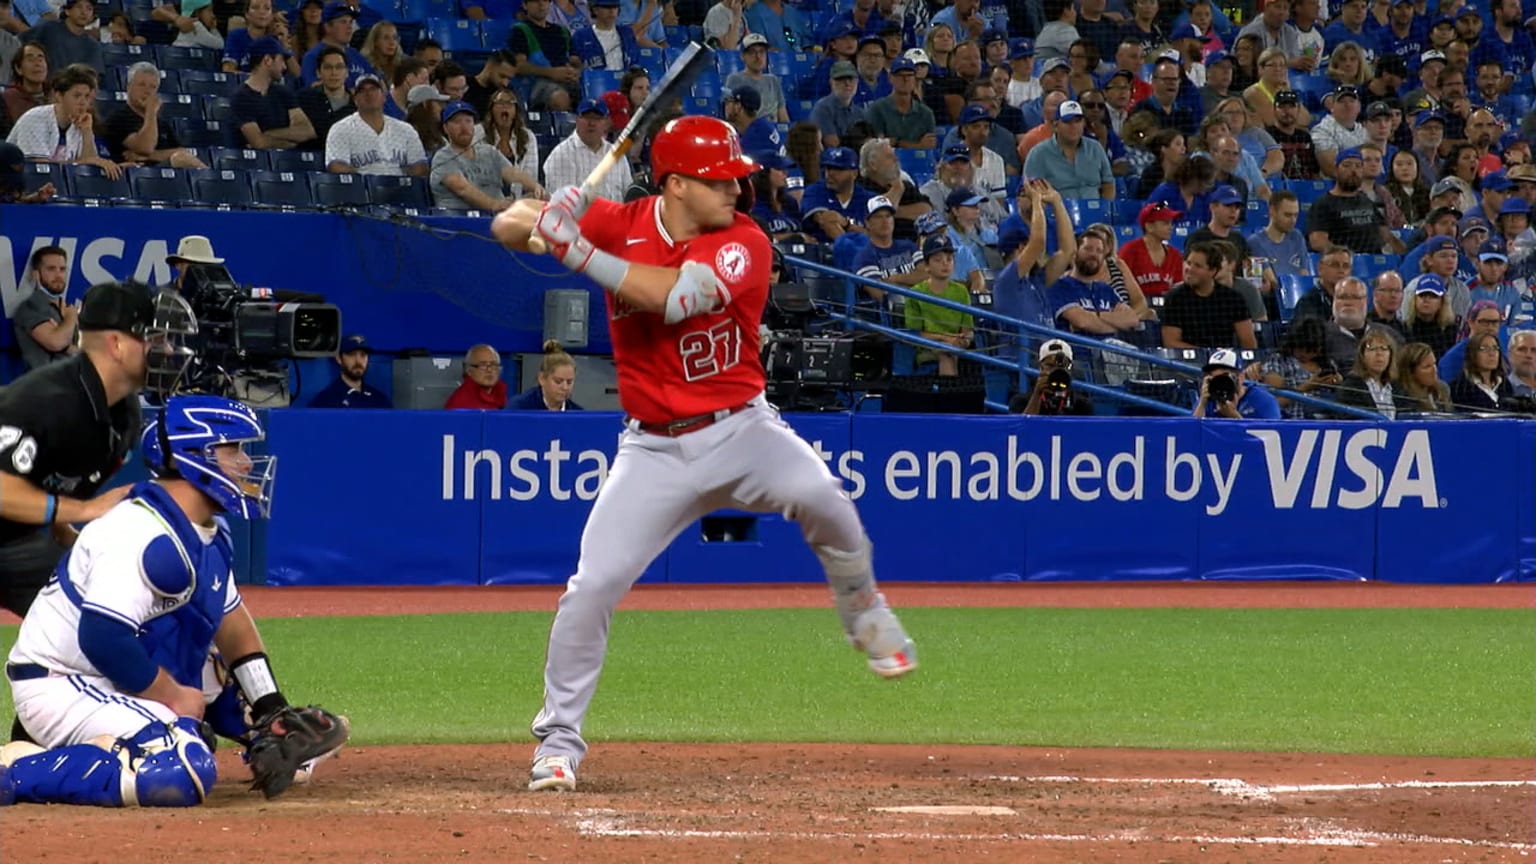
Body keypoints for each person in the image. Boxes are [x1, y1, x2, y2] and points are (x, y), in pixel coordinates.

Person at [490, 115, 918, 792]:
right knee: (591, 587)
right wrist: (545, 213)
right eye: (720, 179)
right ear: (678, 183)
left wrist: (573, 251)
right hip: (653, 448)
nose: (736, 189)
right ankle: (559, 742)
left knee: (826, 502)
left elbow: (672, 300)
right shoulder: (621, 221)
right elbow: (504, 227)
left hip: (742, 432)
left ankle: (862, 608)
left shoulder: (744, 240)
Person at [0, 396, 349, 807]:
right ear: (194, 457)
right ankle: (16, 769)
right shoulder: (140, 532)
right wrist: (174, 696)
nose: (246, 463)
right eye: (233, 449)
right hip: (60, 683)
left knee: (203, 647)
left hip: (105, 676)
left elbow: (231, 621)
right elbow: (102, 636)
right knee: (179, 767)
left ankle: (121, 735)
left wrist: (271, 708)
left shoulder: (208, 531)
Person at [1011, 338, 1094, 415]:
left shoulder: (1082, 405)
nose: (1055, 371)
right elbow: (1022, 428)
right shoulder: (1021, 401)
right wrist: (1037, 394)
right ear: (1040, 367)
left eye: (1062, 367)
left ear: (1071, 369)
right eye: (1050, 366)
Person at [308, 333, 392, 408]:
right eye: (351, 354)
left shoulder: (379, 400)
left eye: (363, 355)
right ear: (339, 359)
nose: (358, 361)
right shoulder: (325, 401)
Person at [1194, 347, 1281, 418]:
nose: (1220, 382)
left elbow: (1272, 436)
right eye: (1215, 378)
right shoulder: (1209, 397)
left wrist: (1234, 417)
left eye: (1225, 377)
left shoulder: (1263, 400)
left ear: (1241, 377)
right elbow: (1191, 434)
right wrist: (1202, 404)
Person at [508, 340, 585, 410]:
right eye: (558, 381)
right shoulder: (519, 408)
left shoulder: (578, 413)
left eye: (569, 382)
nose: (565, 387)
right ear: (542, 378)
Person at [444, 344, 507, 409]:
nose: (489, 370)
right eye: (483, 365)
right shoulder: (460, 403)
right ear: (469, 370)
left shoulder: (501, 393)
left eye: (494, 365)